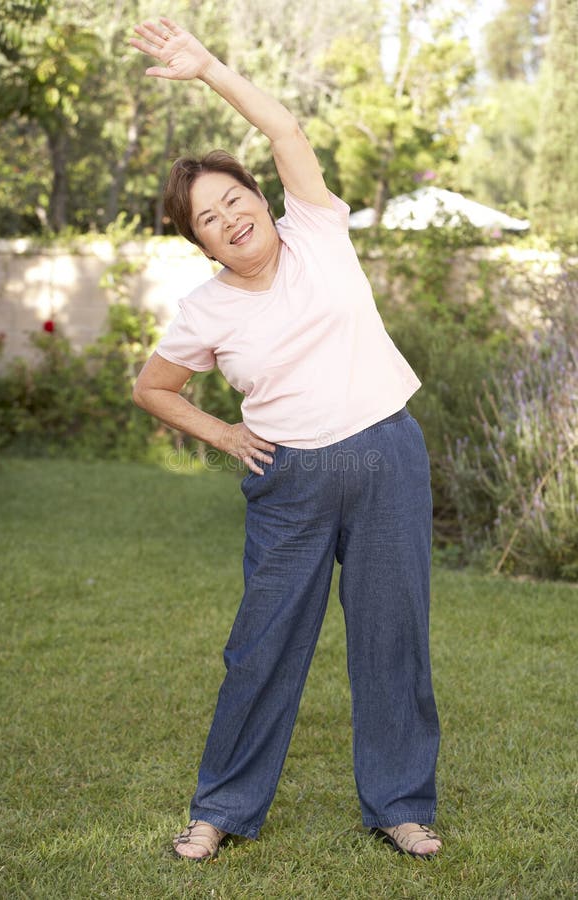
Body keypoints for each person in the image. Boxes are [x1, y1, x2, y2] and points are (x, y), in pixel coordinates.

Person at [130, 15, 442, 862]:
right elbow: (154, 388)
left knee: (393, 637)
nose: (229, 217)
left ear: (262, 200)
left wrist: (207, 70)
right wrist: (224, 434)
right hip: (289, 481)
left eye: (235, 198)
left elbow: (283, 127)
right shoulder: (205, 311)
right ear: (196, 241)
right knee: (261, 648)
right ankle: (222, 808)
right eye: (207, 217)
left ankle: (402, 804)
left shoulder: (317, 229)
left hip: (386, 456)